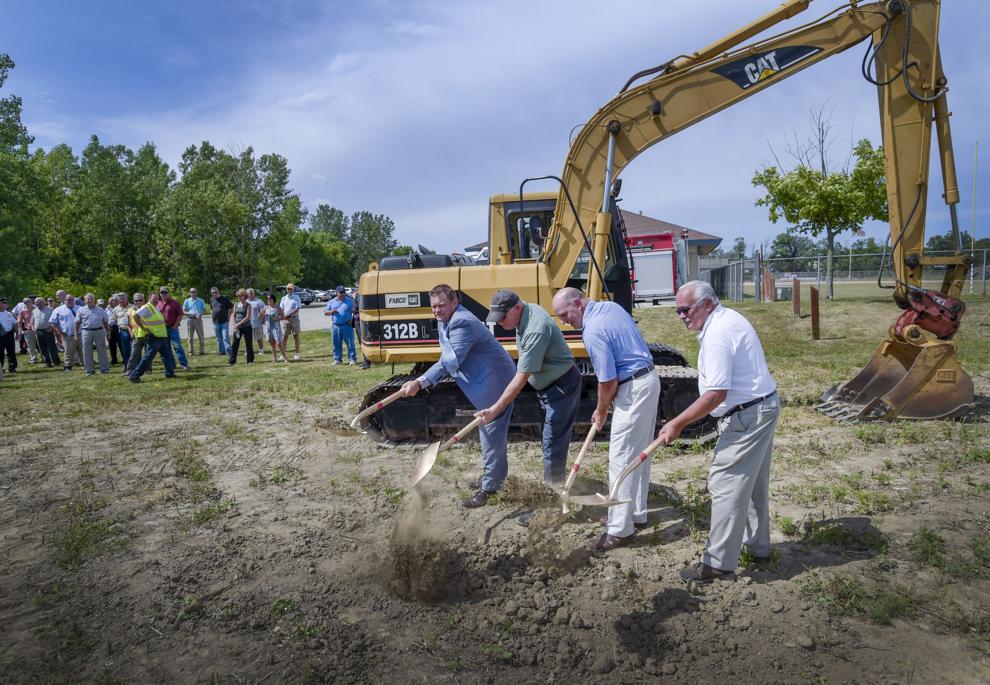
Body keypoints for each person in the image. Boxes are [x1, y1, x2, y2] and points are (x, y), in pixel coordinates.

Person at [656, 281, 780, 583]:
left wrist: (676, 423)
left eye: (686, 310)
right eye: (677, 311)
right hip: (761, 407)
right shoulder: (726, 320)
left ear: (707, 305)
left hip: (747, 416)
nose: (681, 316)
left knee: (726, 485)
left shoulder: (718, 335)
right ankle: (758, 547)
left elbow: (715, 394)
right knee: (751, 484)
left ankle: (718, 565)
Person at [553, 287, 661, 552]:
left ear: (578, 303)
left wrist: (601, 410)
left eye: (565, 314)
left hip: (633, 388)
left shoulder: (592, 331)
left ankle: (618, 530)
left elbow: (607, 379)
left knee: (621, 457)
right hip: (648, 380)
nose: (564, 321)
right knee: (639, 455)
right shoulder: (610, 307)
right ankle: (635, 514)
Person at [401, 284, 516, 508]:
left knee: (491, 434)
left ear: (454, 303)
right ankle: (492, 478)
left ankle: (490, 488)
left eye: (442, 305)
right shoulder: (446, 319)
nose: (437, 310)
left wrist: (420, 381)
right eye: (433, 306)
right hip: (486, 380)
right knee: (489, 433)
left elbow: (450, 361)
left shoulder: (463, 322)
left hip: (496, 383)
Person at [475, 289, 582, 526]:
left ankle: (551, 507)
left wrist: (495, 409)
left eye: (503, 317)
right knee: (550, 443)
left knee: (552, 444)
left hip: (561, 388)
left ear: (517, 308)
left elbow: (521, 378)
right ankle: (555, 487)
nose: (501, 323)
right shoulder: (525, 313)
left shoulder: (535, 328)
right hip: (549, 387)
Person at [129, 292, 177, 382]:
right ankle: (134, 376)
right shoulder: (146, 307)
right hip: (154, 336)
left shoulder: (155, 308)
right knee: (148, 357)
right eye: (154, 298)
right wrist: (144, 328)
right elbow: (136, 316)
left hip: (161, 336)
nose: (156, 300)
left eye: (157, 299)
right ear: (149, 298)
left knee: (166, 355)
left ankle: (170, 373)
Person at [74, 293, 110, 375]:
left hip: (99, 331)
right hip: (86, 331)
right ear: (84, 300)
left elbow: (105, 322)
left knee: (102, 350)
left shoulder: (101, 310)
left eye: (91, 299)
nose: (89, 300)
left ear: (94, 299)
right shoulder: (80, 310)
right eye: (88, 299)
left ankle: (104, 369)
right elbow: (77, 323)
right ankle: (89, 370)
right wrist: (76, 334)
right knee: (87, 351)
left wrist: (108, 332)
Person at [157, 287, 189, 370]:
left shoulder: (175, 303)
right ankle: (171, 365)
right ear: (160, 294)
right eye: (162, 292)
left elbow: (180, 314)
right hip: (162, 330)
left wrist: (175, 326)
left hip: (172, 328)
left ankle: (184, 364)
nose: (164, 294)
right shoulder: (158, 303)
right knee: (167, 348)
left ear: (169, 293)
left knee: (177, 347)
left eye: (165, 292)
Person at [324, 285, 356, 365]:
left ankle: (352, 359)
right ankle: (337, 360)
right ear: (336, 292)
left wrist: (352, 320)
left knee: (350, 343)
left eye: (344, 292)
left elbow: (356, 311)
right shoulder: (332, 302)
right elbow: (325, 312)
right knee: (336, 344)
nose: (342, 294)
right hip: (335, 326)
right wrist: (332, 312)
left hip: (347, 325)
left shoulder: (350, 301)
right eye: (341, 292)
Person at [50, 294, 81, 371]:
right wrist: (58, 331)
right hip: (68, 335)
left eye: (72, 300)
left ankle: (86, 364)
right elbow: (52, 322)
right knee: (68, 351)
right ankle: (68, 366)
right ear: (64, 301)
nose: (70, 301)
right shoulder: (58, 310)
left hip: (81, 334)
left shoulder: (80, 309)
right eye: (68, 300)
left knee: (83, 350)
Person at [228, 288, 255, 365]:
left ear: (244, 296)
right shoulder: (236, 305)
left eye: (240, 295)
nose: (239, 297)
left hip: (247, 327)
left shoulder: (248, 305)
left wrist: (238, 324)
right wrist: (234, 324)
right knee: (235, 344)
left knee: (249, 344)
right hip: (237, 328)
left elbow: (248, 317)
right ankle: (232, 361)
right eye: (238, 296)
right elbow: (233, 315)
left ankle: (250, 360)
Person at [32, 296, 60, 367]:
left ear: (44, 302)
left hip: (48, 330)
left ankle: (56, 362)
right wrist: (33, 328)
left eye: (40, 302)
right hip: (38, 331)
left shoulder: (50, 310)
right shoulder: (34, 311)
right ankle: (48, 362)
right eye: (36, 303)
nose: (38, 304)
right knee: (42, 348)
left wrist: (51, 328)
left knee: (52, 347)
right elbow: (32, 322)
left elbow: (55, 321)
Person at [280, 283, 302, 360]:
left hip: (294, 318)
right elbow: (281, 309)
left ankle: (297, 353)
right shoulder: (283, 298)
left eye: (290, 289)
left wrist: (288, 314)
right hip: (285, 319)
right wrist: (283, 316)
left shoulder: (296, 297)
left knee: (296, 335)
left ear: (293, 289)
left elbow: (297, 308)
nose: (289, 290)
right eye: (288, 289)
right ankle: (283, 354)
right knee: (284, 336)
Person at [263, 293, 287, 363]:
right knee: (272, 343)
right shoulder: (265, 307)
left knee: (279, 343)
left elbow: (282, 317)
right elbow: (260, 318)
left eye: (270, 298)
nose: (268, 300)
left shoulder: (277, 307)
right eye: (267, 298)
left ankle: (284, 358)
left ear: (273, 299)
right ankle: (274, 359)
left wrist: (277, 319)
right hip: (268, 327)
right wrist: (261, 314)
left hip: (276, 327)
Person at [183, 288, 206, 356]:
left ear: (196, 292)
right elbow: (184, 311)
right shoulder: (186, 301)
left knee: (201, 336)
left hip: (198, 319)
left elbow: (204, 309)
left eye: (194, 292)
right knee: (190, 337)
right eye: (191, 292)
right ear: (189, 293)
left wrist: (200, 313)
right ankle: (191, 351)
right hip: (190, 319)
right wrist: (190, 313)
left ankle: (201, 351)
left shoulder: (201, 300)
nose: (193, 293)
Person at [209, 287, 233, 355]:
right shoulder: (211, 299)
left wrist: (229, 315)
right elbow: (211, 308)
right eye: (212, 292)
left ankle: (229, 351)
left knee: (225, 337)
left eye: (215, 292)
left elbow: (232, 307)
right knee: (218, 338)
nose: (214, 293)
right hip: (215, 322)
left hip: (224, 321)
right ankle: (222, 351)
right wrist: (213, 314)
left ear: (218, 291)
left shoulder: (224, 299)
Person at [16, 297, 39, 364]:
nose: (27, 303)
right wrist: (21, 330)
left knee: (41, 345)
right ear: (24, 303)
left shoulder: (36, 309)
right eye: (25, 302)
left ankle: (45, 358)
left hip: (38, 329)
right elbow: (19, 322)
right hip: (28, 330)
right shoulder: (22, 311)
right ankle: (33, 358)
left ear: (31, 302)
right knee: (31, 346)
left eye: (28, 301)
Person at [112, 293, 132, 367]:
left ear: (127, 299)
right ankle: (127, 366)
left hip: (133, 330)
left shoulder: (133, 307)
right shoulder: (116, 309)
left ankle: (137, 365)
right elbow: (113, 320)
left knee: (135, 349)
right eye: (119, 299)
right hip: (123, 331)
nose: (121, 300)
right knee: (125, 350)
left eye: (123, 298)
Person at [0, 297, 17, 373]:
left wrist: (17, 333)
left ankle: (12, 367)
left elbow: (14, 324)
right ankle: (1, 368)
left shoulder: (9, 313)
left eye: (6, 303)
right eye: (3, 303)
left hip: (9, 335)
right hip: (0, 336)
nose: (5, 304)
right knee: (0, 352)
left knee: (11, 352)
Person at [247, 288, 265, 353]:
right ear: (247, 294)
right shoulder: (246, 302)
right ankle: (249, 350)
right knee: (248, 338)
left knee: (259, 337)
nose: (251, 294)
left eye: (252, 293)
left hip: (257, 323)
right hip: (248, 323)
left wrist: (261, 319)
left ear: (254, 293)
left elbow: (263, 311)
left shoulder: (259, 301)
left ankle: (261, 350)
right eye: (249, 293)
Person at [105, 295, 120, 365]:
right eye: (110, 301)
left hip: (118, 327)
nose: (111, 302)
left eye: (113, 301)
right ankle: (114, 359)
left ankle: (125, 358)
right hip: (110, 328)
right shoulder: (107, 309)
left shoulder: (119, 308)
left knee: (121, 344)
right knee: (112, 345)